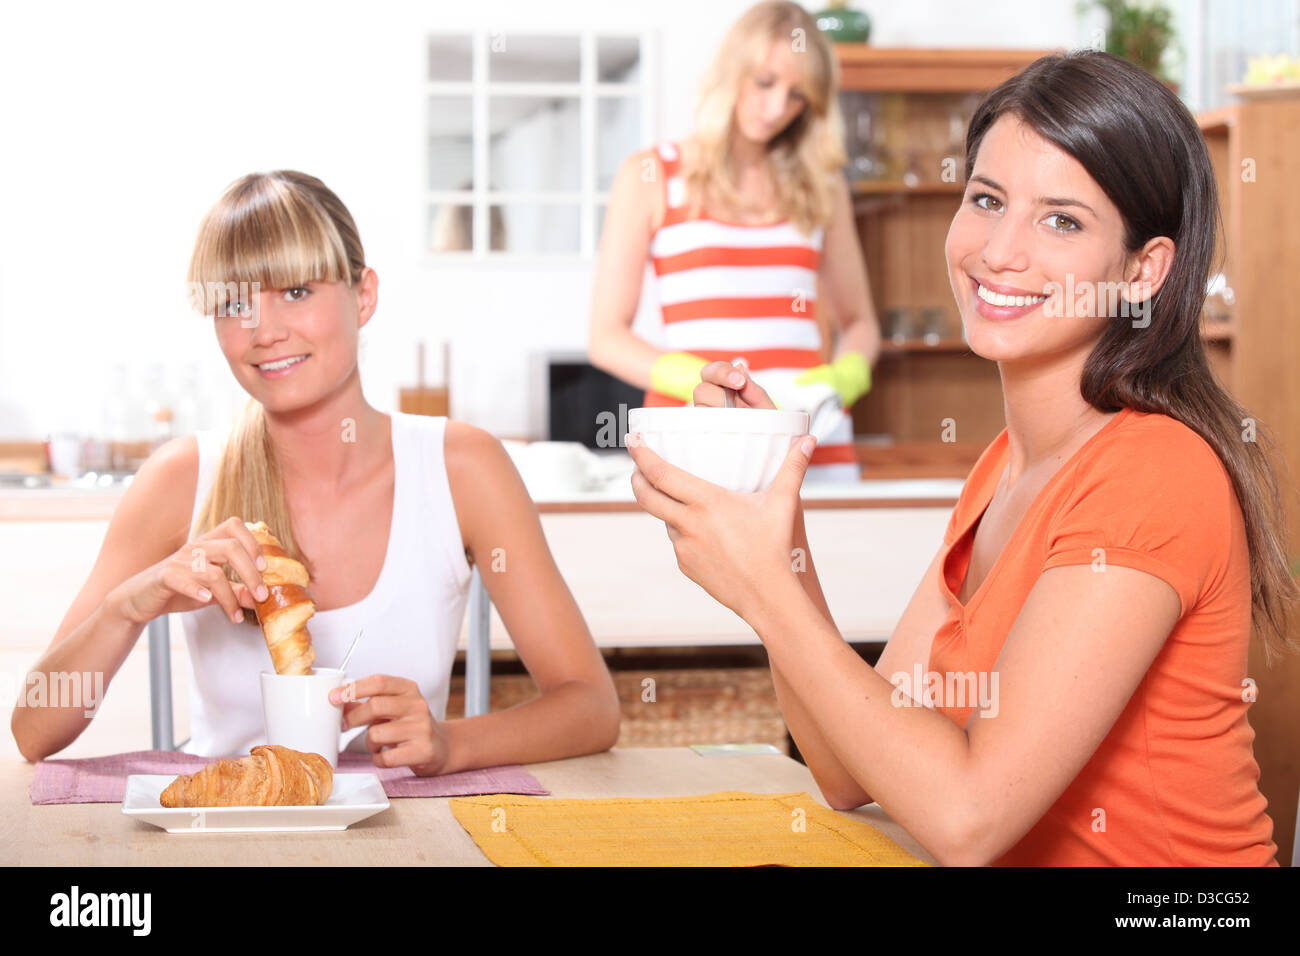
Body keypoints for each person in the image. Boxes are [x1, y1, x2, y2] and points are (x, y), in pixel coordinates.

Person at [625, 50, 1299, 865]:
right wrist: (778, 517)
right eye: (986, 199)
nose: (998, 251)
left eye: (1062, 220)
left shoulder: (1156, 472)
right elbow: (845, 770)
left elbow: (969, 819)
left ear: (1142, 272)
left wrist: (764, 592)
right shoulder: (1004, 467)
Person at [12, 170, 620, 772]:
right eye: (234, 303)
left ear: (364, 296)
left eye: (296, 292)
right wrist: (128, 606)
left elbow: (591, 707)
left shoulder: (463, 468)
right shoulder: (178, 479)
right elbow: (34, 731)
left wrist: (451, 743)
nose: (265, 331)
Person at [588, 0, 881, 482]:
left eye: (798, 96)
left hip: (806, 437)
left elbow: (860, 323)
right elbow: (606, 337)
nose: (777, 109)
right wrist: (702, 382)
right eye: (765, 83)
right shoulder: (651, 175)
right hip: (697, 433)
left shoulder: (823, 185)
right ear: (731, 72)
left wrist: (841, 380)